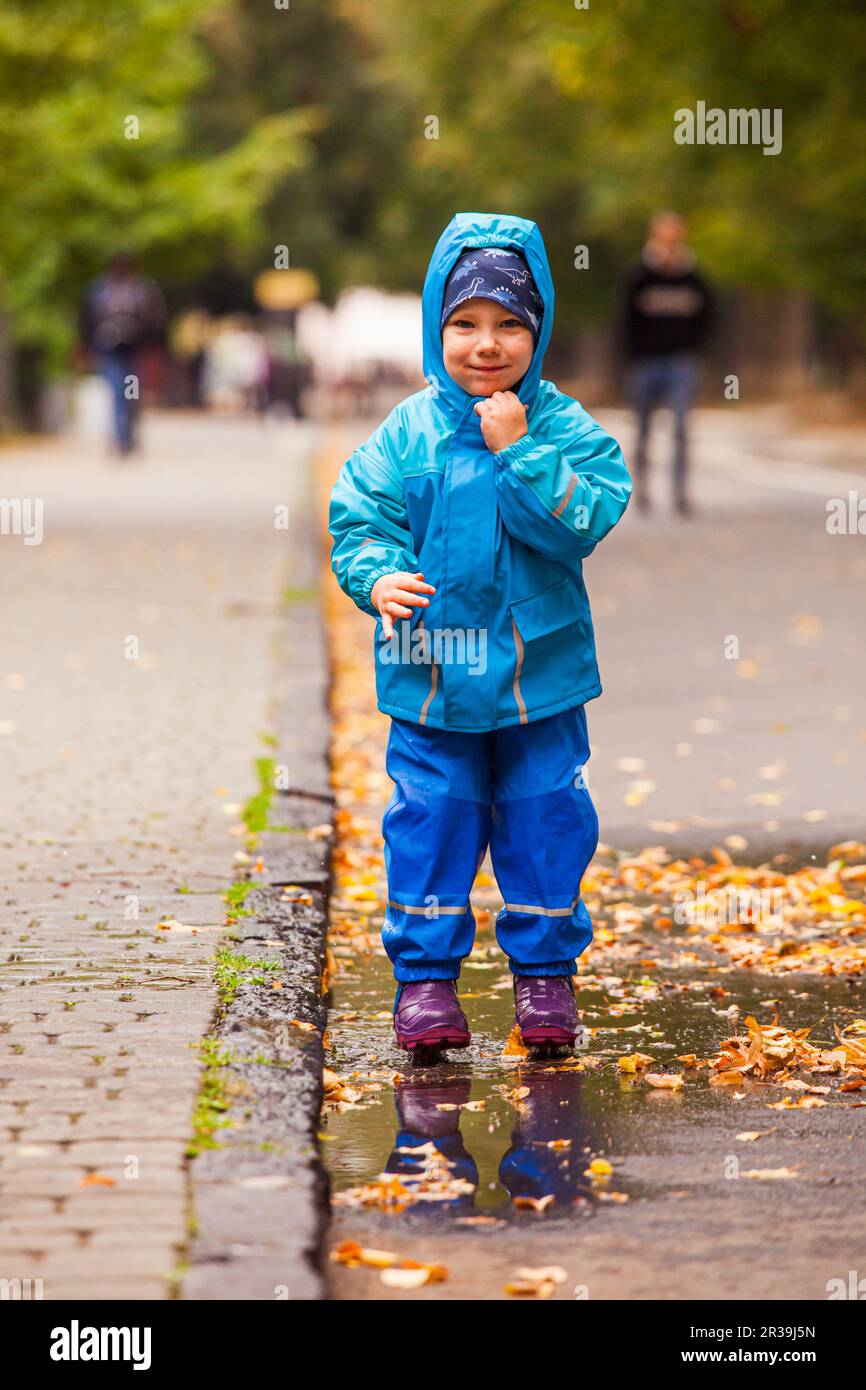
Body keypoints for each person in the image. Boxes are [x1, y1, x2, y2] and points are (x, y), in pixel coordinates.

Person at [328, 212, 631, 1060]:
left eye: (509, 325)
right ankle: (425, 985)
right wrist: (375, 573)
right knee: (430, 822)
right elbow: (362, 517)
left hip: (541, 677)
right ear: (437, 327)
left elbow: (583, 520)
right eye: (465, 324)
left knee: (545, 822)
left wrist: (521, 451)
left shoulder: (564, 429)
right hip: (431, 676)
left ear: (538, 333)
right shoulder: (408, 434)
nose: (486, 344)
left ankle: (545, 982)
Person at [621, 212, 712, 516]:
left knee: (681, 428)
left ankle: (680, 491)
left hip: (680, 362)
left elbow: (708, 317)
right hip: (645, 362)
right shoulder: (639, 276)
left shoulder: (694, 278)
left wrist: (693, 348)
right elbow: (624, 321)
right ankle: (642, 489)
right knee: (644, 428)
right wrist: (633, 356)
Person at [79, 253, 166, 456]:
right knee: (118, 391)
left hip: (134, 350)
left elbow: (155, 320)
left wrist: (152, 343)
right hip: (109, 349)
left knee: (130, 393)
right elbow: (86, 319)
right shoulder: (99, 290)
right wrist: (86, 344)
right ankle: (121, 437)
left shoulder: (141, 290)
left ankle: (128, 434)